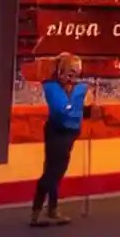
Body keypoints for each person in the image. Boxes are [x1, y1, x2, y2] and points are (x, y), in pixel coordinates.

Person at [31, 53, 89, 227]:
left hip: (70, 132)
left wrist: (86, 109)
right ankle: (36, 213)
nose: (74, 76)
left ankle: (52, 210)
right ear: (61, 71)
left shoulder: (78, 88)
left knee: (56, 172)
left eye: (77, 72)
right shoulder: (52, 87)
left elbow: (81, 110)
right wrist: (76, 106)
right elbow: (62, 110)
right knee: (52, 172)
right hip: (57, 131)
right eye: (71, 71)